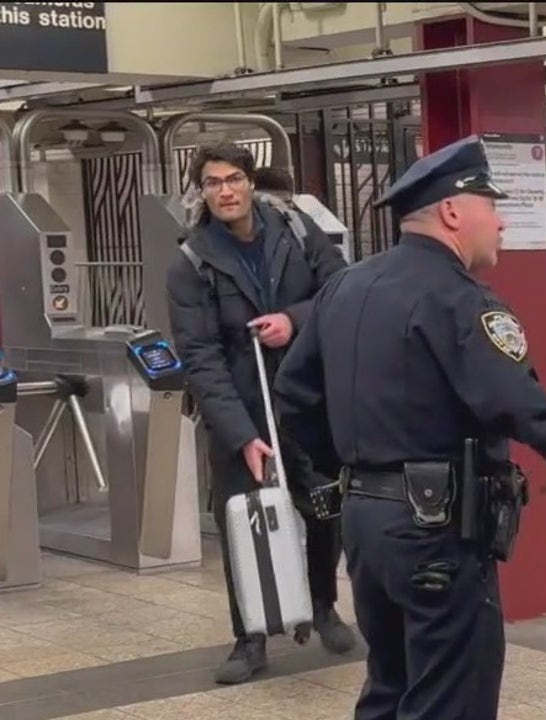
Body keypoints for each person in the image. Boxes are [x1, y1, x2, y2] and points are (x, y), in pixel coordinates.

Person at [273, 134, 546, 720]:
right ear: (452, 211)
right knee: (451, 697)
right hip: (436, 534)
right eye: (491, 206)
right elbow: (516, 400)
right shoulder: (458, 298)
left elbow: (294, 396)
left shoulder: (345, 287)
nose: (500, 222)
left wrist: (357, 466)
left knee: (390, 685)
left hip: (366, 523)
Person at [165, 143, 356, 685]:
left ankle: (322, 605)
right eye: (212, 183)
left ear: (250, 182)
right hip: (243, 410)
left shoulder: (295, 232)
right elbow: (200, 357)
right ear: (201, 192)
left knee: (325, 507)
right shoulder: (191, 262)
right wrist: (241, 435)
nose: (225, 191)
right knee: (245, 521)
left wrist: (294, 320)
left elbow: (340, 290)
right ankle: (249, 637)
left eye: (233, 179)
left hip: (307, 403)